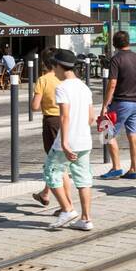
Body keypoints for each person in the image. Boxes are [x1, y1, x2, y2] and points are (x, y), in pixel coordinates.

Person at [42, 49, 97, 231]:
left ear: (58, 66)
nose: (53, 71)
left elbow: (64, 117)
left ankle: (67, 209)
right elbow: (91, 117)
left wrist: (65, 143)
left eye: (54, 67)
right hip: (84, 141)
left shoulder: (62, 88)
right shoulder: (84, 87)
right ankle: (86, 219)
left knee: (51, 171)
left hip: (68, 140)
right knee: (83, 178)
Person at [29, 49, 73, 212]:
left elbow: (34, 106)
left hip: (51, 121)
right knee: (56, 162)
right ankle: (46, 194)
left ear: (44, 64)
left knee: (58, 165)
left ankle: (67, 206)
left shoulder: (43, 80)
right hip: (68, 119)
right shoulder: (66, 78)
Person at [99, 30, 136, 181]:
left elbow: (112, 83)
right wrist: (135, 95)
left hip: (120, 102)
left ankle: (116, 168)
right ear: (129, 42)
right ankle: (133, 169)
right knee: (133, 135)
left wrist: (105, 105)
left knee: (107, 133)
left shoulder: (116, 59)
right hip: (135, 103)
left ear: (114, 44)